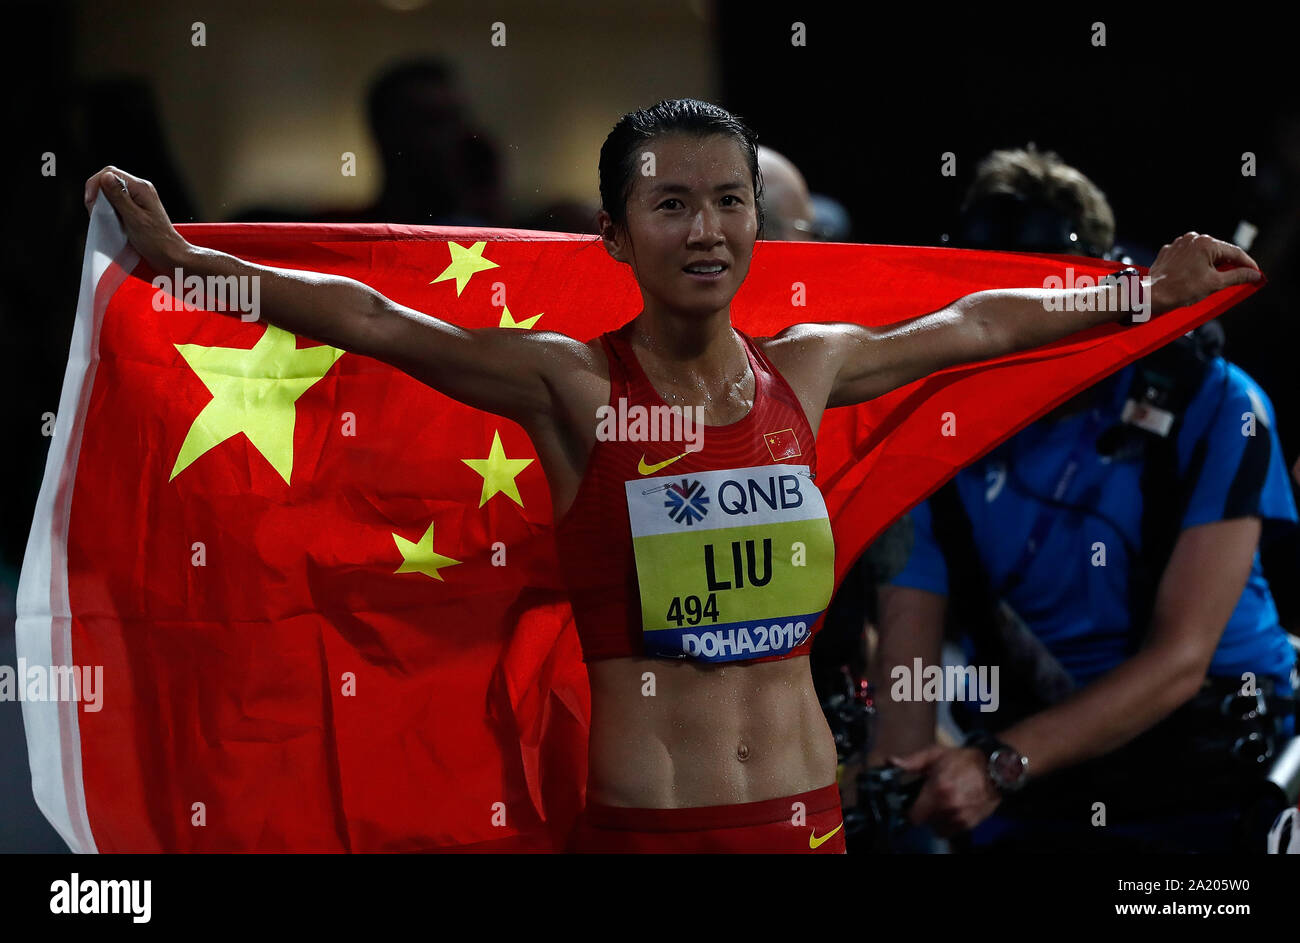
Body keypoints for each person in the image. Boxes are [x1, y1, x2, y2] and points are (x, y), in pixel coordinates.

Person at [82, 99, 1259, 854]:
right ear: (614, 232)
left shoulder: (809, 371)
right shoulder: (566, 388)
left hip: (804, 819)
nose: (706, 229)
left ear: (758, 222)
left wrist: (1139, 295)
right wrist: (190, 269)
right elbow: (373, 320)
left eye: (728, 202)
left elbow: (986, 323)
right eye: (671, 204)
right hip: (651, 828)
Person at [872, 145, 1298, 852]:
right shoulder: (930, 437)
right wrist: (900, 779)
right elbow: (907, 694)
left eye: (1040, 297)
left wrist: (995, 762)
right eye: (990, 299)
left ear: (1101, 290)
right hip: (1038, 780)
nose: (1017, 327)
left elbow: (1181, 658)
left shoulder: (1216, 402)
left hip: (1212, 770)